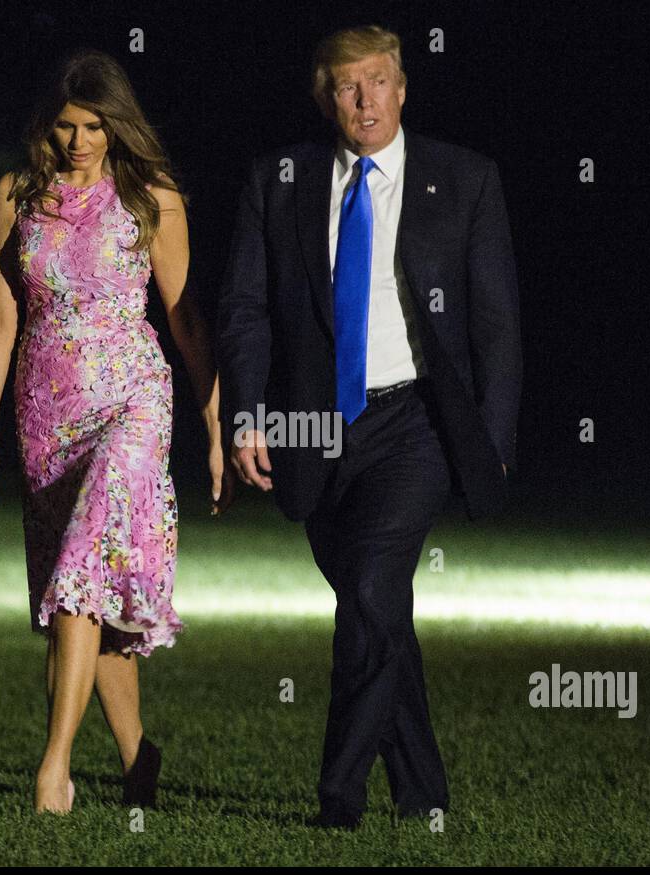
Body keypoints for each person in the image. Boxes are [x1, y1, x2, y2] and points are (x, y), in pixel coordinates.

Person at [219, 25, 522, 828]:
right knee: (378, 611)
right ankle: (423, 794)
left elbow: (497, 325)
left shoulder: (464, 180)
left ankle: (339, 793)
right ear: (326, 96)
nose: (366, 100)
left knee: (369, 588)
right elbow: (246, 310)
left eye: (380, 81)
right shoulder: (277, 180)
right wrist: (248, 413)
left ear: (403, 86)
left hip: (414, 419)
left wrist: (489, 442)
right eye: (348, 85)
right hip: (314, 430)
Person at [0, 48, 228, 814]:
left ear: (116, 126)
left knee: (84, 567)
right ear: (43, 128)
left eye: (92, 126)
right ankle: (136, 757)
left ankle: (53, 771)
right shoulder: (17, 196)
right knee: (87, 602)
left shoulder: (153, 198)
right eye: (64, 127)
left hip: (133, 406)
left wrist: (216, 424)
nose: (77, 141)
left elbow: (185, 320)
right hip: (46, 414)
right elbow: (3, 315)